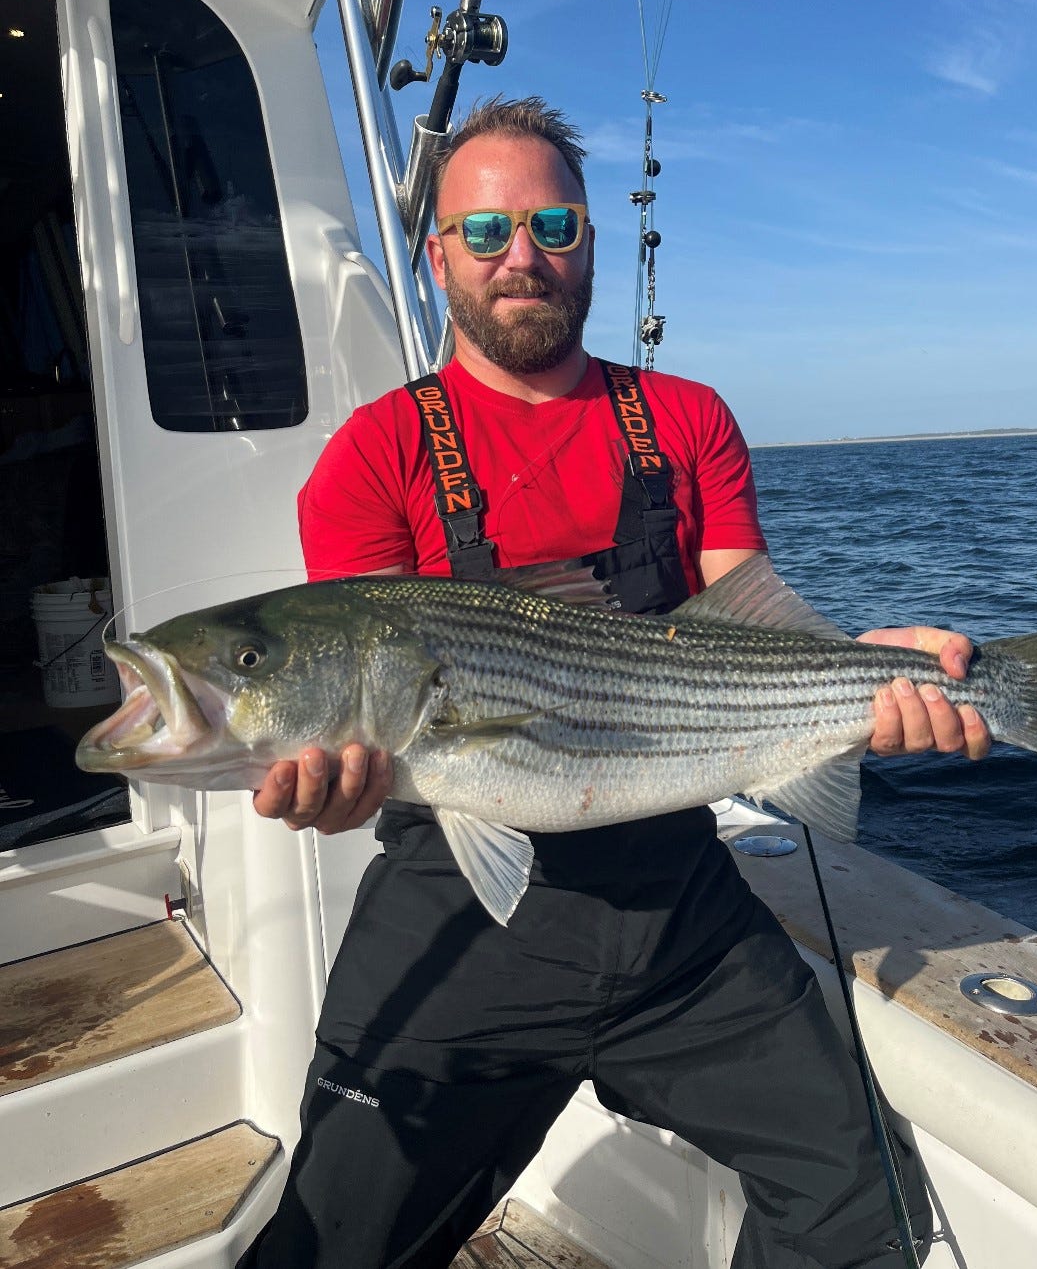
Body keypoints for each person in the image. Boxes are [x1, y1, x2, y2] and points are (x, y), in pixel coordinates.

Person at [238, 98, 990, 1269]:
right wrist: (340, 776)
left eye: (552, 222)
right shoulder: (373, 456)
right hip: (459, 909)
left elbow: (753, 614)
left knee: (863, 1202)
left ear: (590, 237)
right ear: (437, 255)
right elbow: (362, 671)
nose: (521, 255)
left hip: (681, 908)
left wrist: (867, 672)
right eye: (484, 231)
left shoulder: (685, 419)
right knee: (329, 1242)